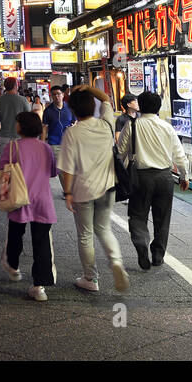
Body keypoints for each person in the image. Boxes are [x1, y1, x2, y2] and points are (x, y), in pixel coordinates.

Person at [56, 86, 130, 294]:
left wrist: (68, 193)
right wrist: (88, 88)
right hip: (107, 187)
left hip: (83, 191)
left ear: (73, 110)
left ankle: (91, 278)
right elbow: (106, 98)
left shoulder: (72, 133)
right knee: (104, 228)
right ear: (92, 106)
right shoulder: (106, 124)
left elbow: (68, 169)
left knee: (85, 235)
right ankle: (116, 261)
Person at [118, 91, 191, 270]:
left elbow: (120, 152)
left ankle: (141, 243)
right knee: (162, 218)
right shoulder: (167, 127)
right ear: (158, 107)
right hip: (165, 177)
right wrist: (184, 175)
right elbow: (179, 154)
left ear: (141, 106)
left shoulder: (132, 125)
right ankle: (158, 255)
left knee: (137, 215)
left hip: (140, 177)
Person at [0, 111, 57, 302]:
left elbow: (3, 172)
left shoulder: (12, 147)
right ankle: (39, 287)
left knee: (15, 235)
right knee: (42, 243)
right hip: (42, 200)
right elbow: (52, 172)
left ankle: (13, 267)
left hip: (19, 199)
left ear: (20, 127)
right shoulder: (46, 148)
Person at [0, 78, 30, 144]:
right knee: (18, 154)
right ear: (16, 86)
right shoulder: (23, 100)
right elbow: (29, 117)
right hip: (19, 134)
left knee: (6, 154)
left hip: (3, 135)